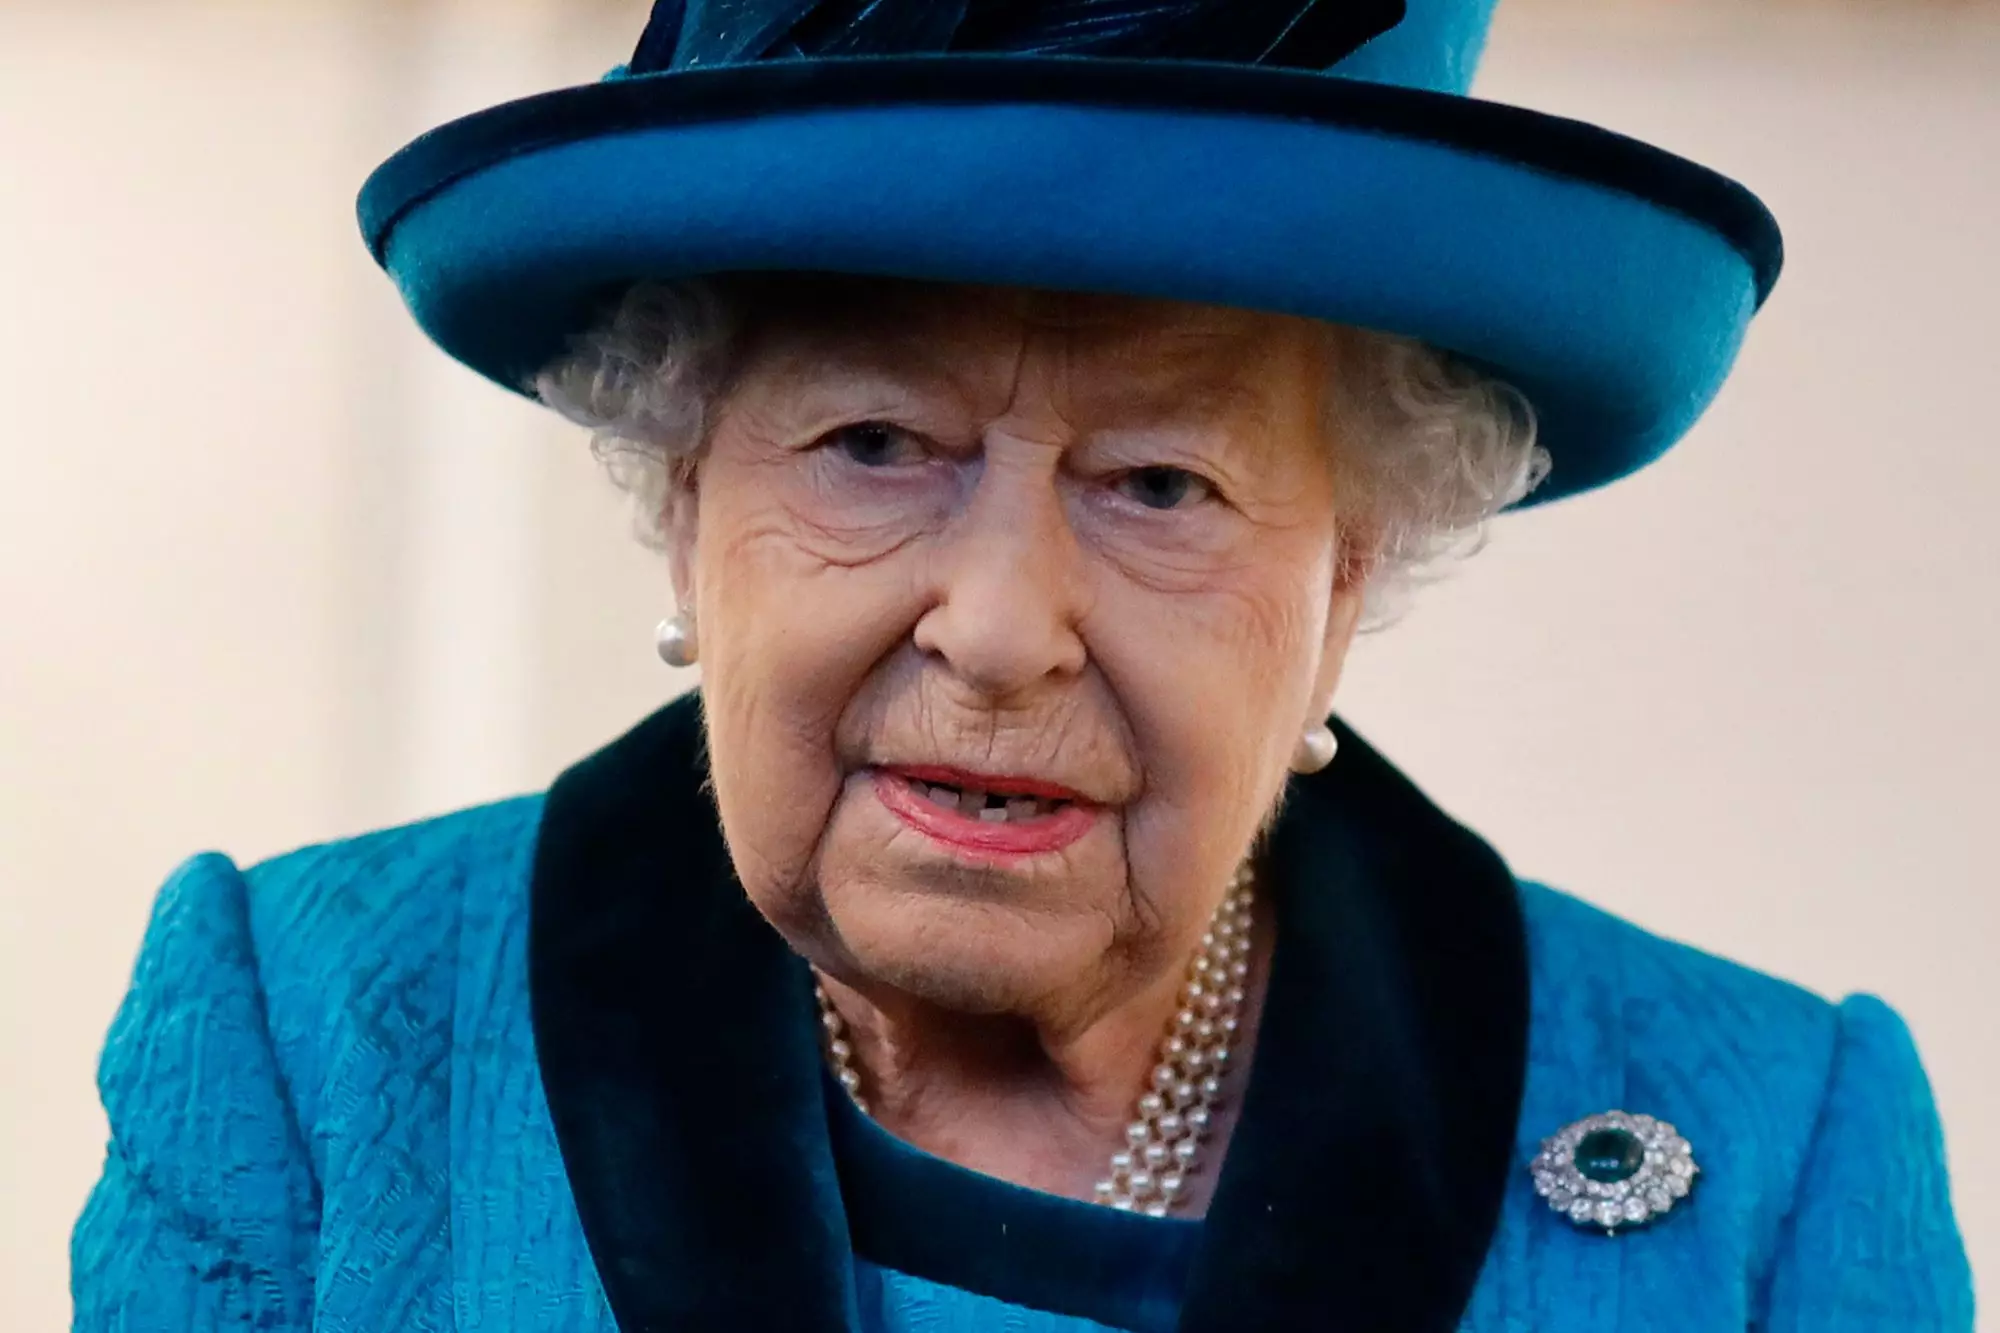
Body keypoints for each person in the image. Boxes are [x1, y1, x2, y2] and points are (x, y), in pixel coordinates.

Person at [72, 0, 1973, 1329]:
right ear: (680, 504)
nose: (996, 623)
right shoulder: (311, 1039)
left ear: (1348, 576)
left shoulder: (1767, 1147)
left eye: (1163, 481)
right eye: (874, 448)